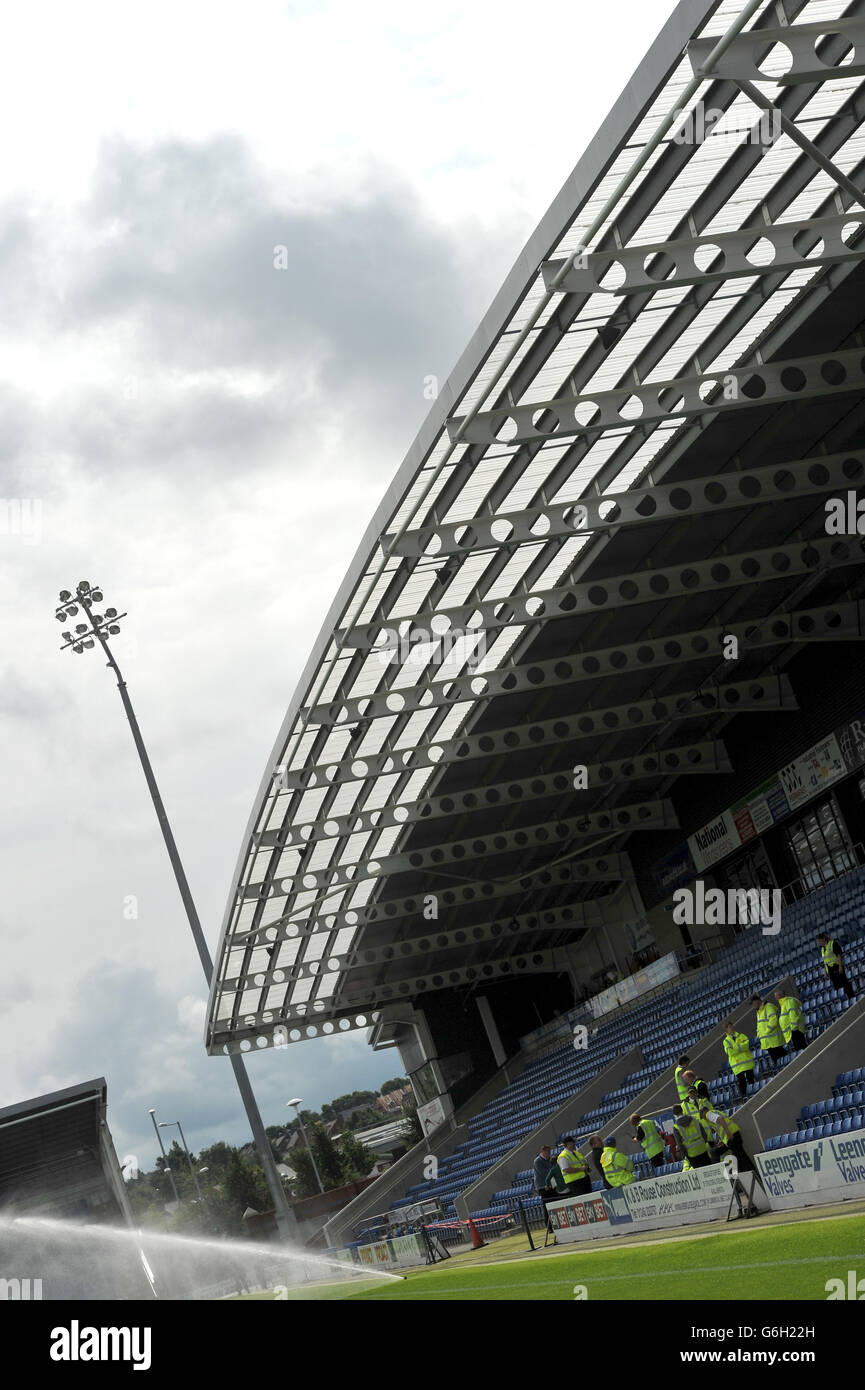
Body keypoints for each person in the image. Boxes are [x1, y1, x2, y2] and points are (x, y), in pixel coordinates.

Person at [701, 1107, 755, 1174]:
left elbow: (720, 1119)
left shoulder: (708, 1114)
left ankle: (752, 1176)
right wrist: (722, 1140)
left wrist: (728, 1133)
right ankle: (753, 1175)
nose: (704, 1119)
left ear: (703, 1113)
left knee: (742, 1160)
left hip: (731, 1136)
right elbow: (721, 1125)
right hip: (734, 1133)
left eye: (702, 1117)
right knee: (742, 1158)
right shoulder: (715, 1111)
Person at [816, 932, 856, 1000]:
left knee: (845, 984)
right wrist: (825, 972)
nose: (819, 943)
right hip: (830, 970)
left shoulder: (833, 944)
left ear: (824, 939)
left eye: (820, 941)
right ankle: (844, 1000)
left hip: (837, 967)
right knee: (837, 987)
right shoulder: (822, 949)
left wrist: (840, 966)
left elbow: (839, 955)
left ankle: (852, 997)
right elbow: (825, 961)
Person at [723, 1020, 755, 1096]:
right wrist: (741, 1047)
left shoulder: (741, 1035)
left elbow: (747, 1045)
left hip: (747, 1062)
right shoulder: (726, 1041)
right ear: (726, 1030)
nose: (732, 1028)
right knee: (742, 1082)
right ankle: (744, 1097)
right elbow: (730, 1052)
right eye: (729, 1027)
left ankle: (754, 1092)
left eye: (732, 1026)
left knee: (751, 1079)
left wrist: (735, 1048)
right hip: (737, 1065)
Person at [752, 993, 785, 1064]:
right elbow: (759, 1024)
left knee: (782, 1057)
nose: (753, 1006)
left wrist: (766, 1032)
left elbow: (773, 1020)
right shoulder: (758, 1011)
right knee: (776, 1060)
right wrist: (759, 1034)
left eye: (753, 1004)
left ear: (757, 1001)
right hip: (767, 1041)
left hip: (774, 1040)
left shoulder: (769, 1007)